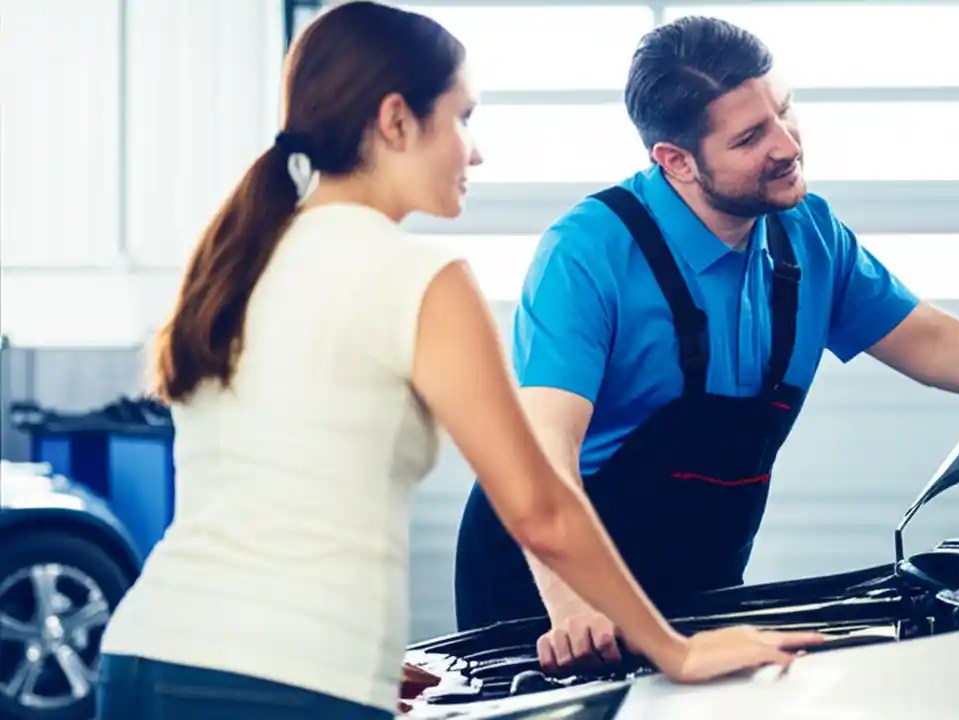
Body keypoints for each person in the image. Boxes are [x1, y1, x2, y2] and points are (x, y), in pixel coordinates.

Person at [94, 4, 823, 719]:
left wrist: (371, 655)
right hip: (285, 678)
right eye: (462, 118)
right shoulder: (420, 279)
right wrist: (677, 651)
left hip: (147, 653)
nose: (475, 151)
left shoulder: (236, 263)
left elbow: (264, 501)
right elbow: (537, 507)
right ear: (395, 120)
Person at [452, 15, 959, 672]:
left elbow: (939, 344)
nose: (788, 145)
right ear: (676, 162)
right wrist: (570, 600)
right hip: (543, 586)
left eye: (786, 112)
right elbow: (540, 456)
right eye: (753, 136)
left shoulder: (808, 235)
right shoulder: (588, 254)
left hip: (695, 580)